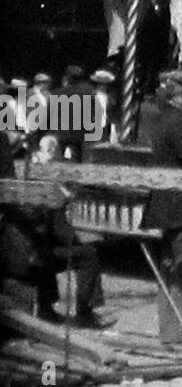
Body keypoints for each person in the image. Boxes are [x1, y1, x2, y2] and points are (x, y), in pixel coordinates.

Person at [0, 129, 111, 327]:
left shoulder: (16, 185)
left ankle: (46, 308)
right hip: (30, 255)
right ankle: (84, 312)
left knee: (49, 248)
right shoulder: (45, 189)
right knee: (87, 255)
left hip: (18, 249)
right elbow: (61, 232)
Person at [139, 68, 182, 345]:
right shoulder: (180, 123)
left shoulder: (163, 120)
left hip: (168, 208)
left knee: (171, 267)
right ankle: (178, 331)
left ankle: (171, 328)